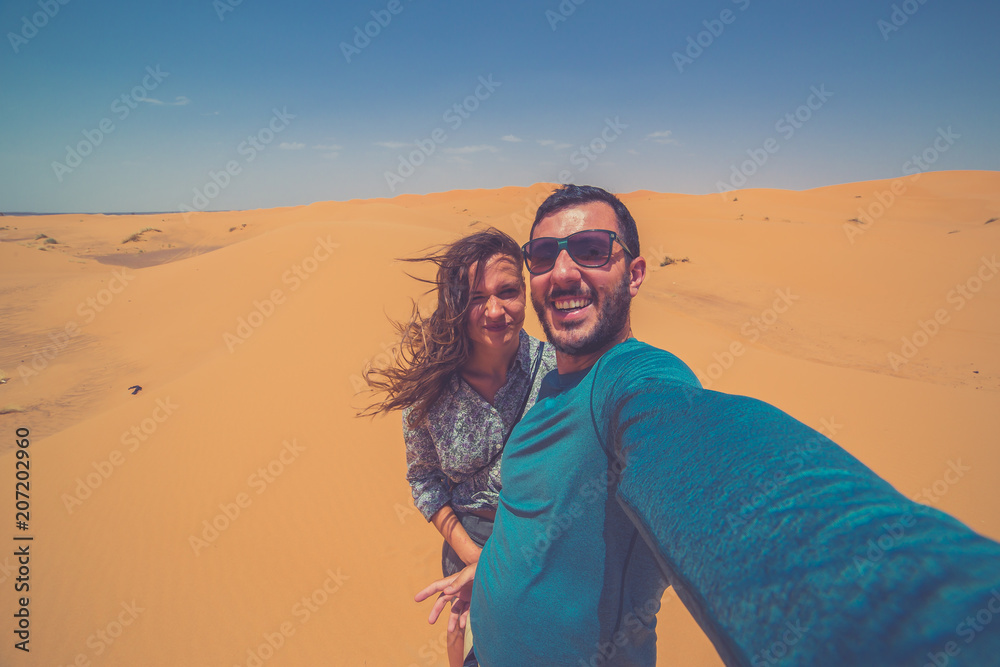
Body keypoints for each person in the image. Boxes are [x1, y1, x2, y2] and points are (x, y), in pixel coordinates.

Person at [416, 185, 1000, 666]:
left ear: (636, 273)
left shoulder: (631, 383)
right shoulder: (545, 384)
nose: (563, 271)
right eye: (543, 256)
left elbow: (704, 452)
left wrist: (921, 613)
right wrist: (488, 569)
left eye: (593, 249)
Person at [362, 228, 555, 667]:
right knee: (469, 648)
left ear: (524, 294)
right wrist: (473, 555)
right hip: (467, 540)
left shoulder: (556, 373)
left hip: (540, 542)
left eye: (507, 292)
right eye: (474, 296)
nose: (494, 310)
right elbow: (425, 481)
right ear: (455, 303)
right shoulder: (430, 391)